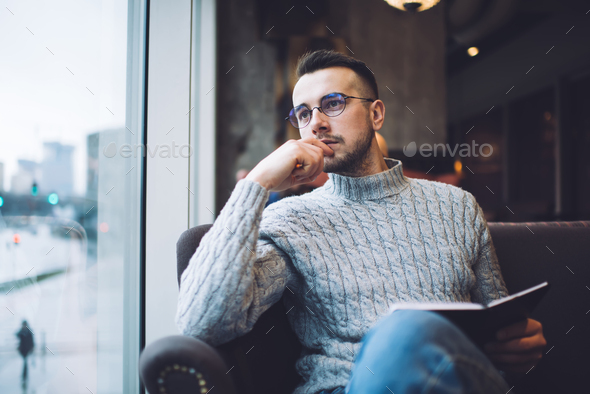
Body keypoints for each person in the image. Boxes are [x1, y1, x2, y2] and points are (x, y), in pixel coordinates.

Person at [176, 50, 546, 394]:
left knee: (411, 331)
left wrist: (519, 348)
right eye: (303, 114)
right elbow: (203, 322)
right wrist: (257, 184)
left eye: (332, 104)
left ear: (376, 114)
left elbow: (502, 333)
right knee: (403, 328)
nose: (316, 123)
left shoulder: (457, 206)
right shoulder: (290, 220)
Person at [16, 320, 34, 386]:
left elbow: (32, 340)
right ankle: (24, 376)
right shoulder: (23, 332)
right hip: (23, 350)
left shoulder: (28, 332)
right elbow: (17, 335)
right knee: (25, 363)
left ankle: (24, 376)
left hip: (26, 350)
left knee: (25, 363)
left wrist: (32, 348)